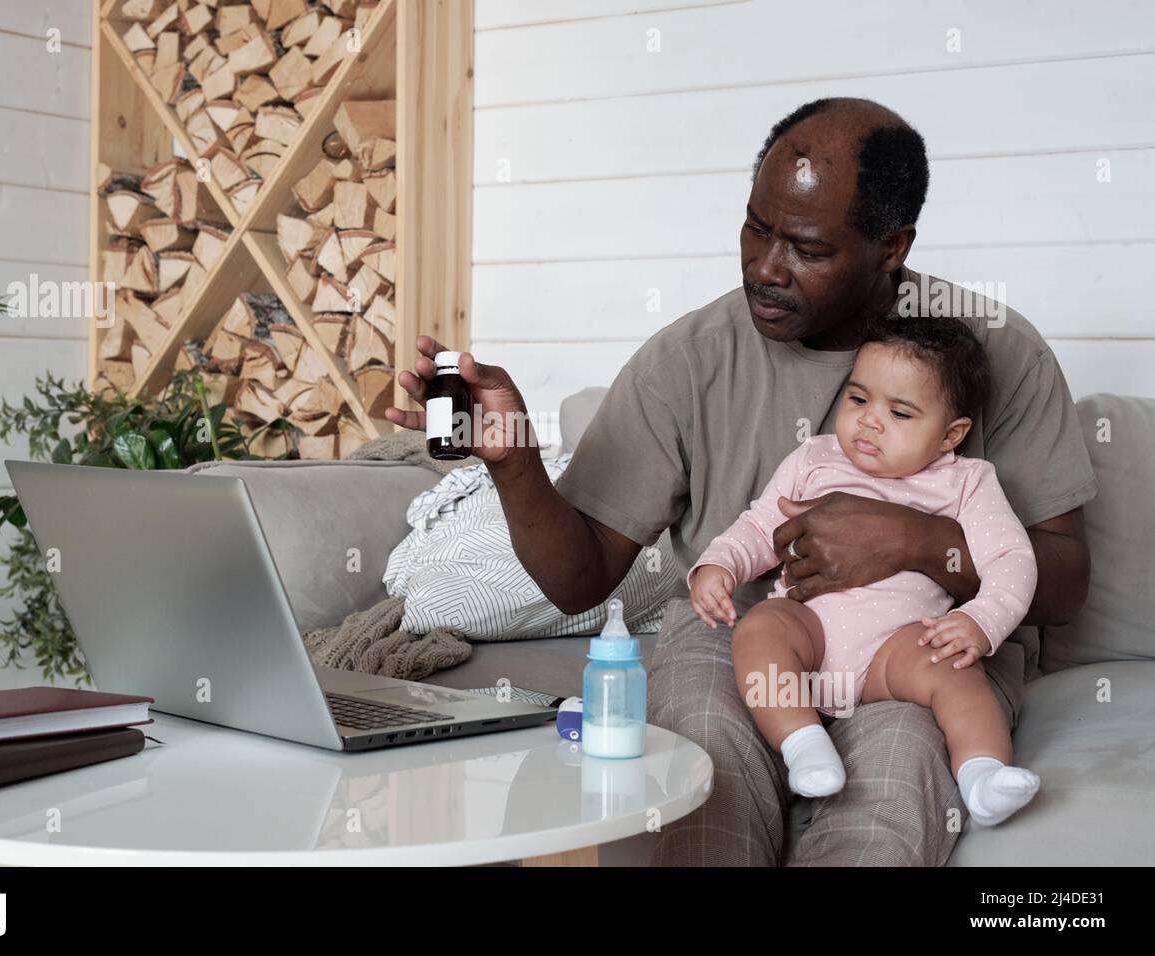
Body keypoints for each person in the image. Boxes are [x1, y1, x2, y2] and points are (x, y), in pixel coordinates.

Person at [384, 97, 1096, 865]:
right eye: (757, 226)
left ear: (891, 246)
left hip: (920, 642)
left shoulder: (994, 355)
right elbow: (578, 580)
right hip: (746, 627)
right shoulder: (689, 358)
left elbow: (1063, 584)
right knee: (703, 771)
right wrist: (516, 462)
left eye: (806, 247)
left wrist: (917, 543)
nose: (765, 266)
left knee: (889, 793)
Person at [689, 314, 1041, 826]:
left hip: (894, 650)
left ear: (951, 435)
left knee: (958, 674)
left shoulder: (966, 482)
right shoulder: (815, 458)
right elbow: (763, 524)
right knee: (760, 629)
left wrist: (982, 621)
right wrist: (720, 564)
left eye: (900, 413)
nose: (869, 421)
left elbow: (1011, 559)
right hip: (806, 633)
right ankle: (803, 744)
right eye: (858, 400)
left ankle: (983, 775)